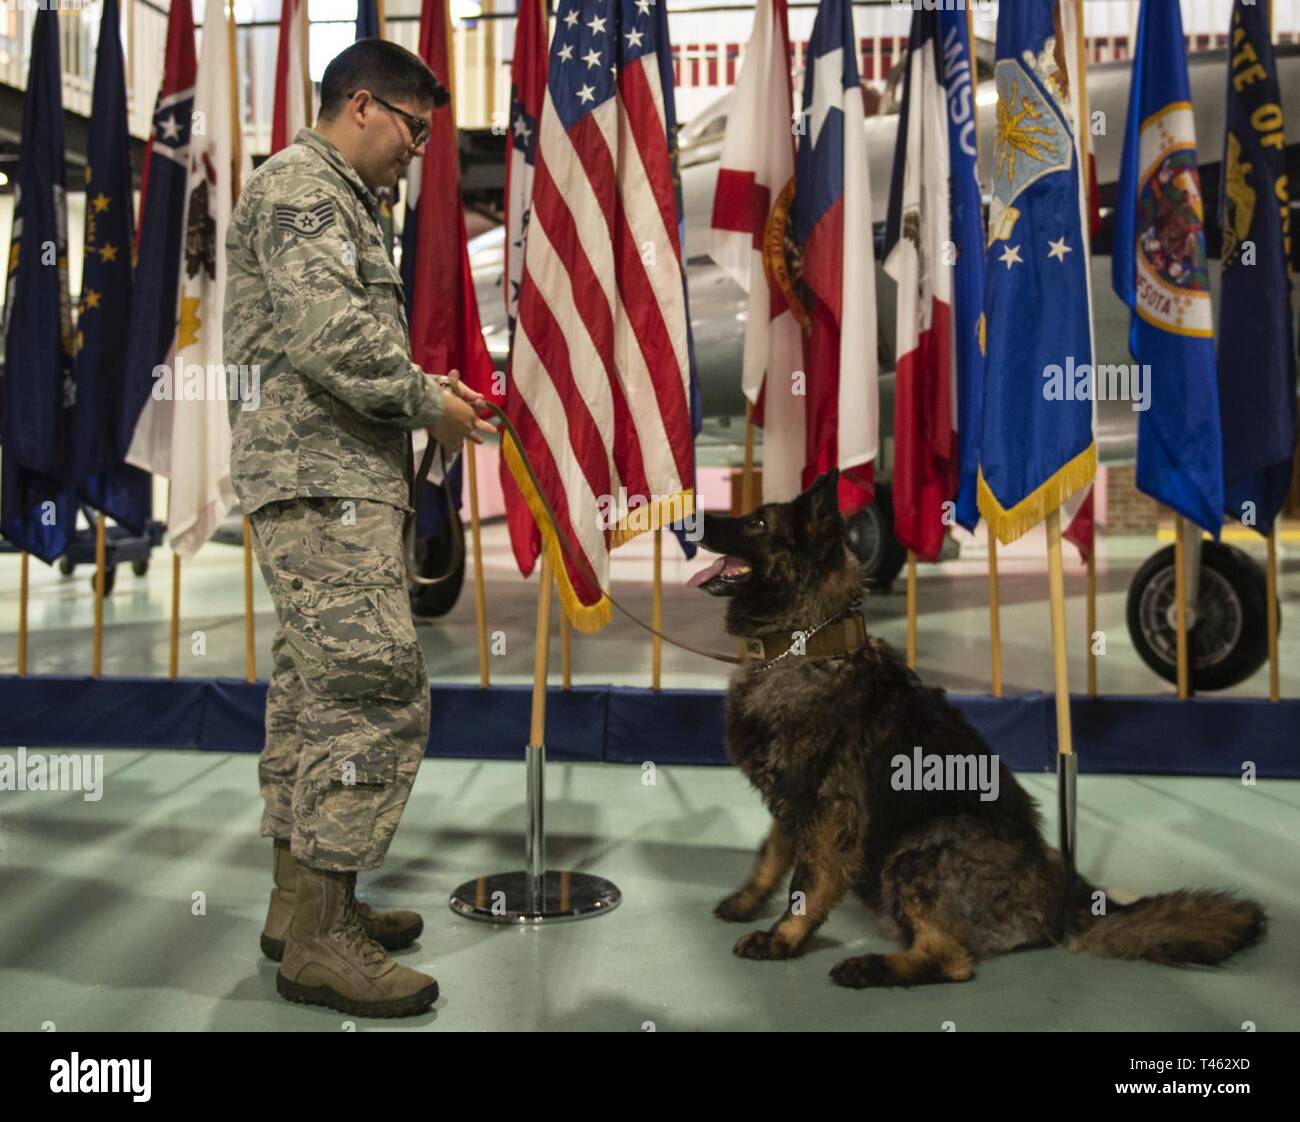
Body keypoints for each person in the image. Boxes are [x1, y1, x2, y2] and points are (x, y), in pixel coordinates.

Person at [224, 37, 493, 1018]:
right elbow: (328, 338)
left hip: (330, 481)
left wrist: (430, 391)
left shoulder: (332, 193)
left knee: (311, 694)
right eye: (414, 129)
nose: (419, 149)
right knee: (371, 691)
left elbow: (341, 339)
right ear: (364, 105)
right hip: (317, 486)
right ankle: (324, 947)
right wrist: (430, 402)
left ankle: (300, 907)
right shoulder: (304, 186)